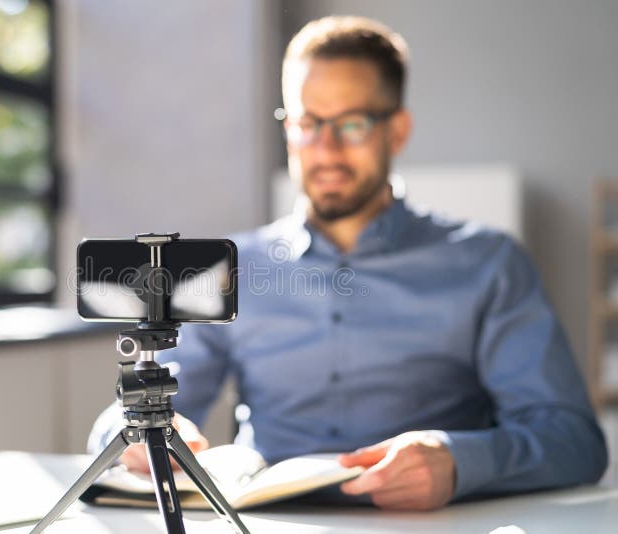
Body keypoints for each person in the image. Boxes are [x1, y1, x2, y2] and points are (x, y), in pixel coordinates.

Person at [89, 15, 607, 511]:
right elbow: (143, 403)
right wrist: (134, 437)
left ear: (397, 131)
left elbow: (574, 440)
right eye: (307, 123)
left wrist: (458, 462)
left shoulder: (488, 263)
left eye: (352, 124)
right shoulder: (231, 268)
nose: (326, 149)